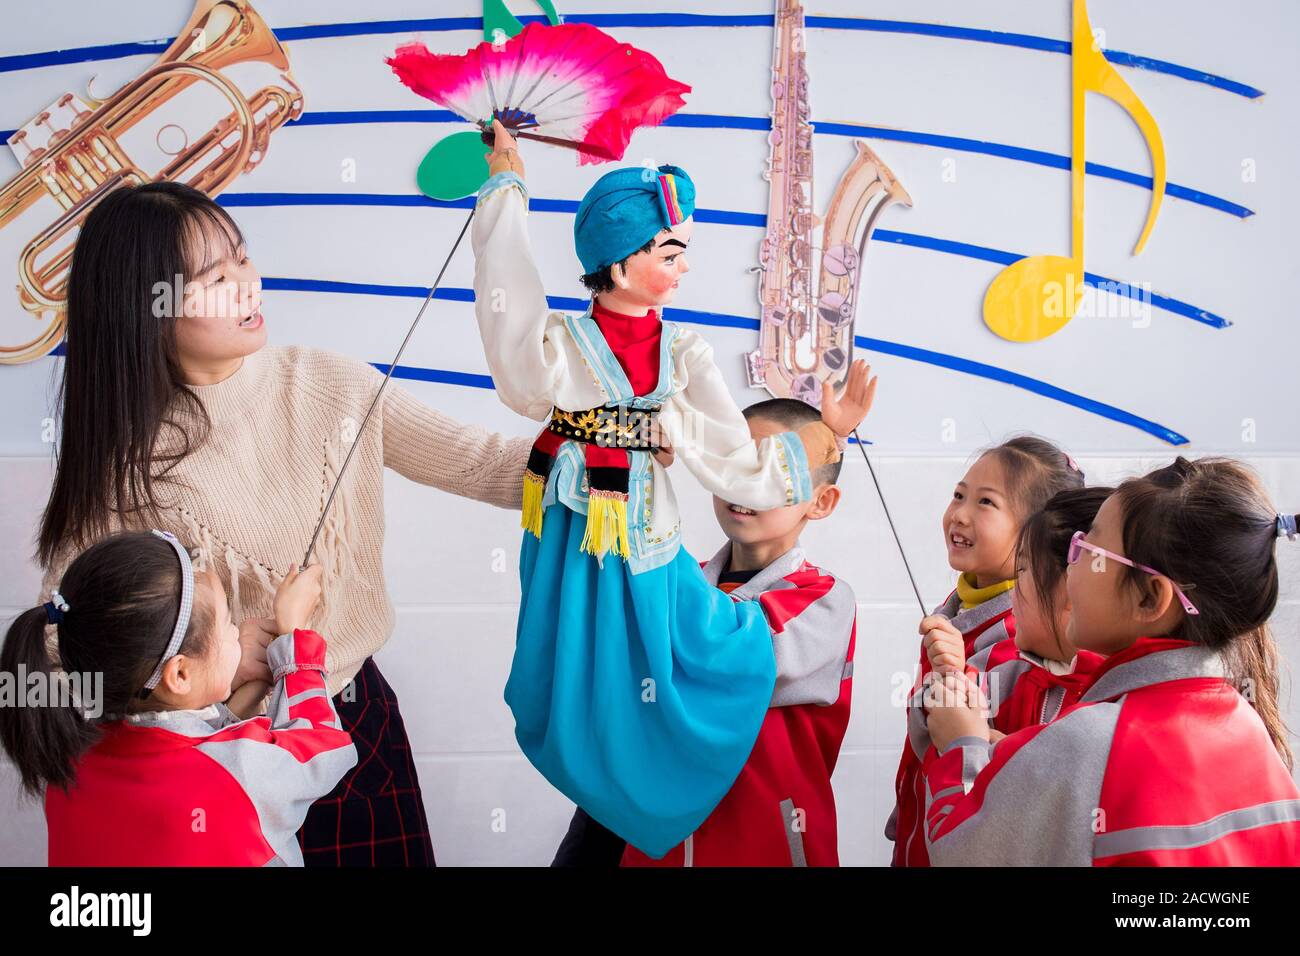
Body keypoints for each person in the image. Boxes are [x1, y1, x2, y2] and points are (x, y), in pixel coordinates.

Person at [37, 180, 534, 866]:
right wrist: (204, 663)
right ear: (147, 306)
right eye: (214, 277)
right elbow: (68, 652)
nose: (247, 285)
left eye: (242, 258)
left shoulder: (327, 381)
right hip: (216, 768)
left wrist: (599, 446)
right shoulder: (116, 466)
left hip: (350, 721)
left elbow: (488, 466)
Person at [473, 120, 876, 856]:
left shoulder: (682, 353)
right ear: (622, 267)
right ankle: (598, 749)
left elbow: (727, 444)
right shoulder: (562, 344)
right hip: (571, 525)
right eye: (671, 252)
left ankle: (632, 772)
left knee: (657, 644)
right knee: (572, 656)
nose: (684, 266)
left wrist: (822, 440)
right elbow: (511, 322)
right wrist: (506, 191)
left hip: (636, 529)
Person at [924, 457, 1300, 865]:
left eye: (1088, 549)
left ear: (1151, 597)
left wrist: (962, 748)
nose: (1070, 564)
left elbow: (962, 851)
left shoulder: (1091, 742)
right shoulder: (1250, 729)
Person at [1, 530, 355, 865]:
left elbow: (177, 755)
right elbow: (324, 746)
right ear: (180, 674)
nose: (238, 632)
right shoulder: (241, 771)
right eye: (228, 623)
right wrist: (295, 640)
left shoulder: (69, 765)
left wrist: (243, 692)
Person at [888, 436, 1083, 866]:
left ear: (1037, 533)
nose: (958, 514)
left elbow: (1007, 768)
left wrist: (954, 682)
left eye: (985, 503)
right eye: (959, 495)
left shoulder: (1030, 639)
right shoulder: (957, 607)